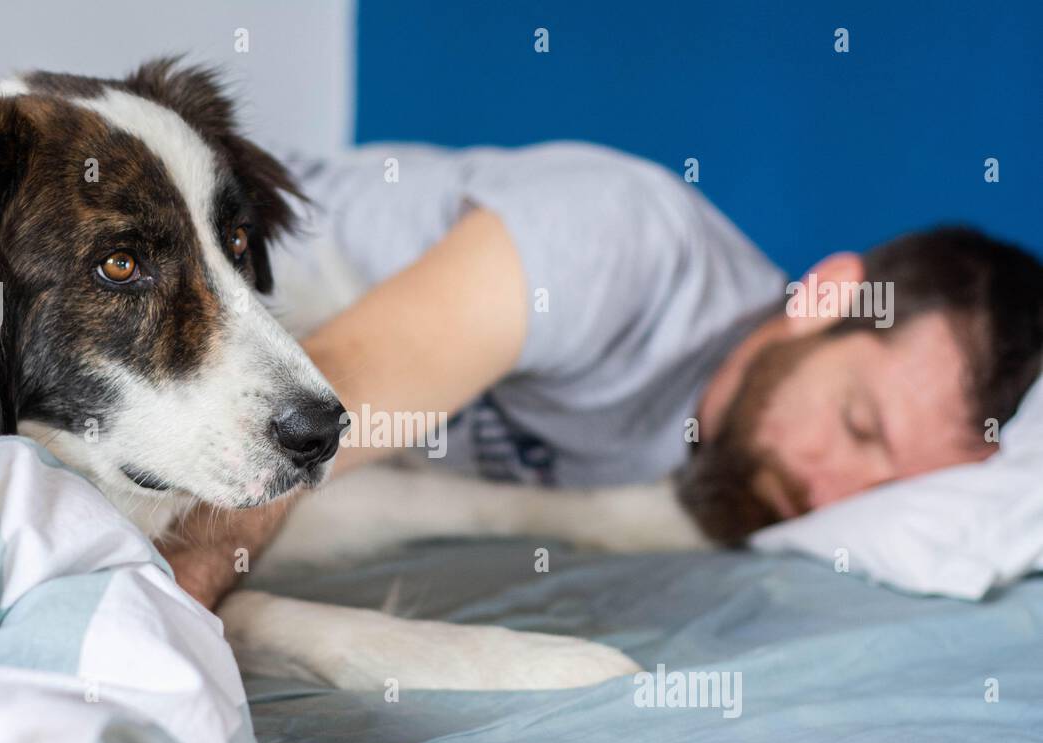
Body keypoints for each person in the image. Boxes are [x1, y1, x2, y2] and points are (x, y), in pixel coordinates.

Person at [162, 143, 1043, 608]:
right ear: (825, 296)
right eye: (858, 426)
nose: (837, 491)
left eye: (886, 487)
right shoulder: (627, 246)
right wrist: (162, 603)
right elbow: (313, 414)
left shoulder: (731, 478)